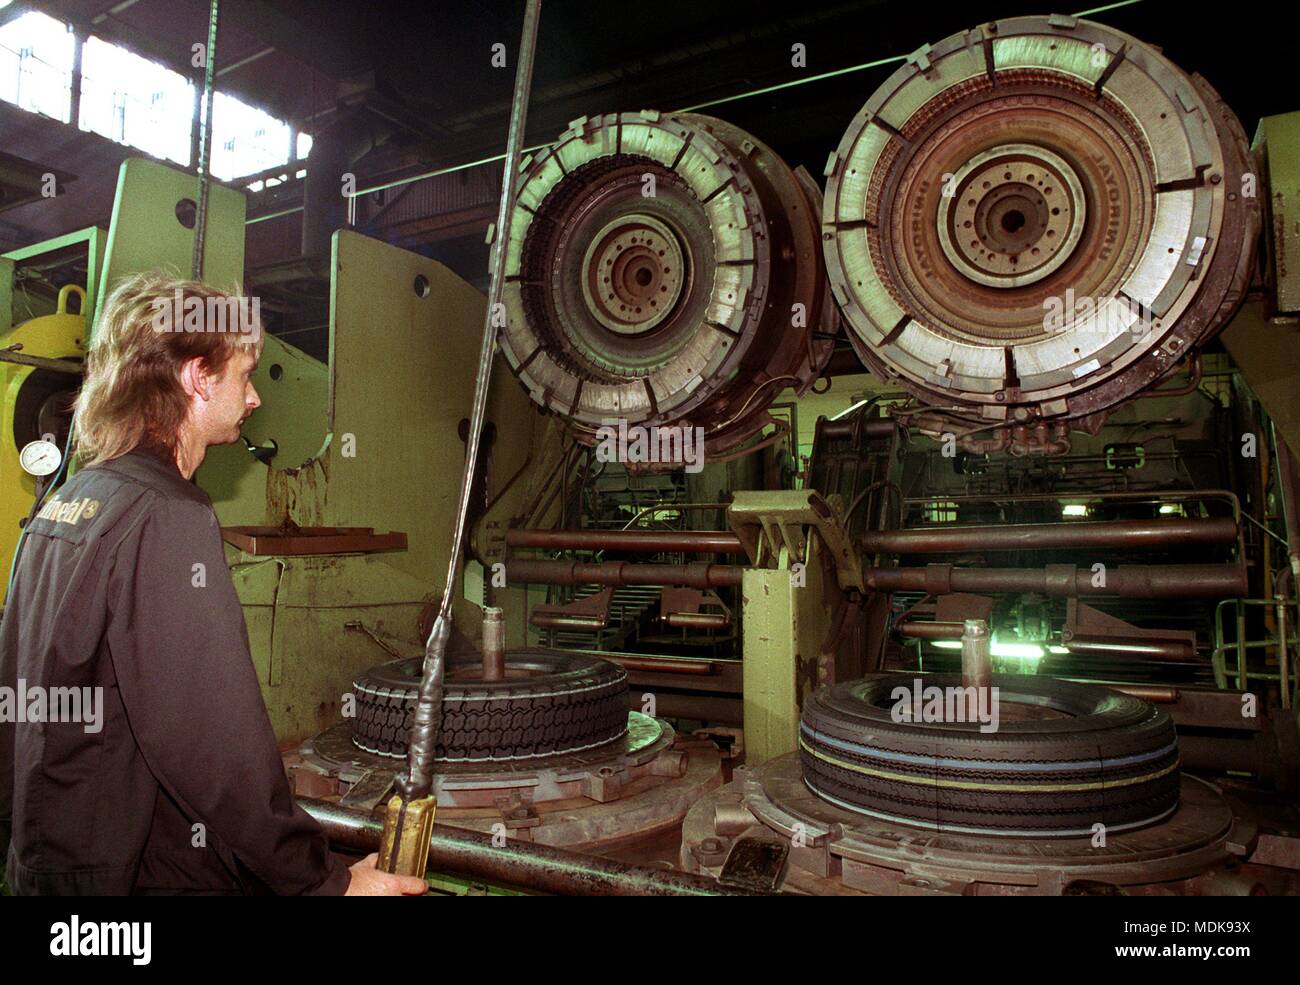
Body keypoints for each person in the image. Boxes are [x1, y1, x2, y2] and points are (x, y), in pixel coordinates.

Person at [0, 273, 425, 896]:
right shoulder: (167, 513)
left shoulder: (69, 502)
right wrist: (322, 881)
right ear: (199, 377)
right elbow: (213, 746)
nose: (253, 399)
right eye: (244, 375)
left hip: (52, 866)